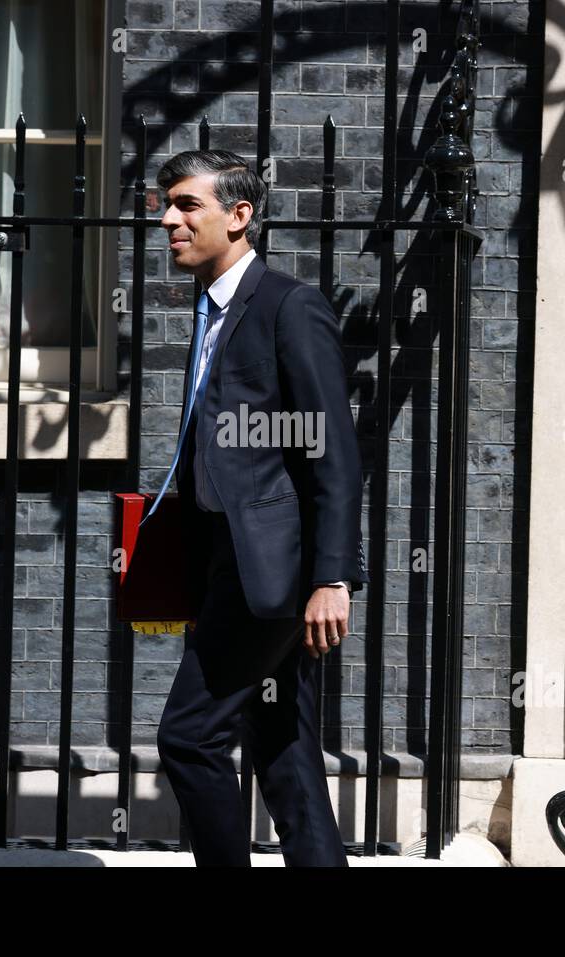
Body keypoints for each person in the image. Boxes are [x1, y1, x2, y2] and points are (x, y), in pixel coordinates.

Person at [147, 149, 367, 866]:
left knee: (189, 734)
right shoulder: (214, 309)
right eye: (166, 205)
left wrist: (332, 577)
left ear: (239, 216)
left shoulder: (287, 306)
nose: (169, 220)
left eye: (187, 205)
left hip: (268, 573)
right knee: (282, 746)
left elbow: (334, 452)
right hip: (226, 559)